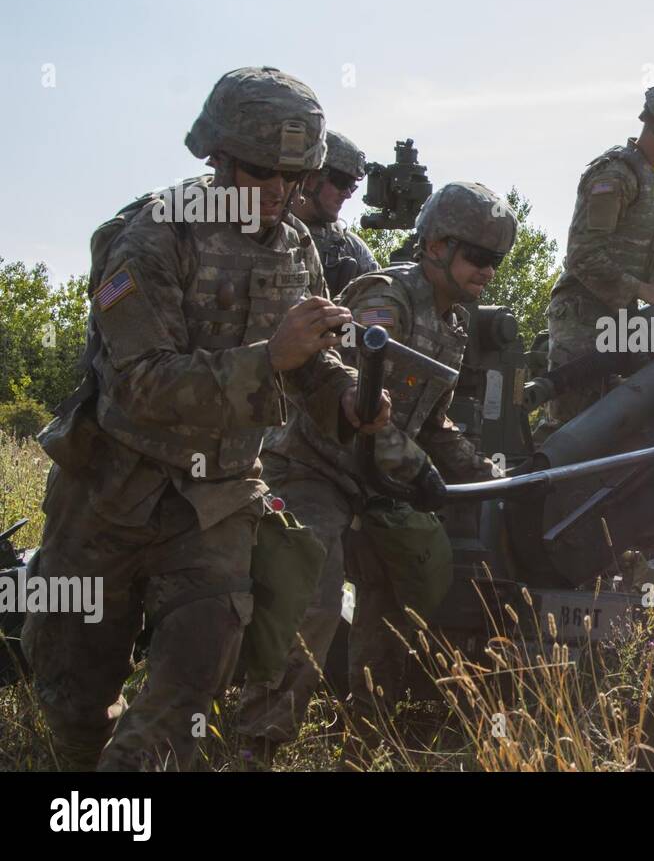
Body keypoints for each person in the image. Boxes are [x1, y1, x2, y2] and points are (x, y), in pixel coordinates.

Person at [22, 66, 390, 770]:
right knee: (75, 701)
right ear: (216, 158)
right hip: (110, 495)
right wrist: (269, 358)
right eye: (262, 173)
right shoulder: (152, 238)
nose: (280, 193)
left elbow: (311, 363)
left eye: (296, 176)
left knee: (189, 686)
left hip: (216, 505)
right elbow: (140, 383)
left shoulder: (297, 248)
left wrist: (345, 395)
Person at [237, 180, 514, 766]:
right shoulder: (386, 298)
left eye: (497, 260)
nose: (488, 271)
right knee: (311, 596)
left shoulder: (454, 324)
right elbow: (349, 392)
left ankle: (367, 742)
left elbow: (431, 421)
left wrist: (482, 472)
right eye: (479, 257)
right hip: (313, 468)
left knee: (398, 599)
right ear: (437, 247)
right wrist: (417, 470)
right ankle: (256, 747)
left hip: (376, 484)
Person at [542, 79, 654, 432]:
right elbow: (583, 255)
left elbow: (635, 252)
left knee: (615, 426)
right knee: (572, 429)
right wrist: (643, 291)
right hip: (583, 319)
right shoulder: (614, 175)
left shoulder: (653, 176)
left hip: (617, 320)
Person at [293, 129, 377, 296]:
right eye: (341, 182)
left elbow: (379, 301)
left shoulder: (351, 247)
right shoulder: (268, 235)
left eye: (352, 185)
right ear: (309, 178)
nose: (348, 193)